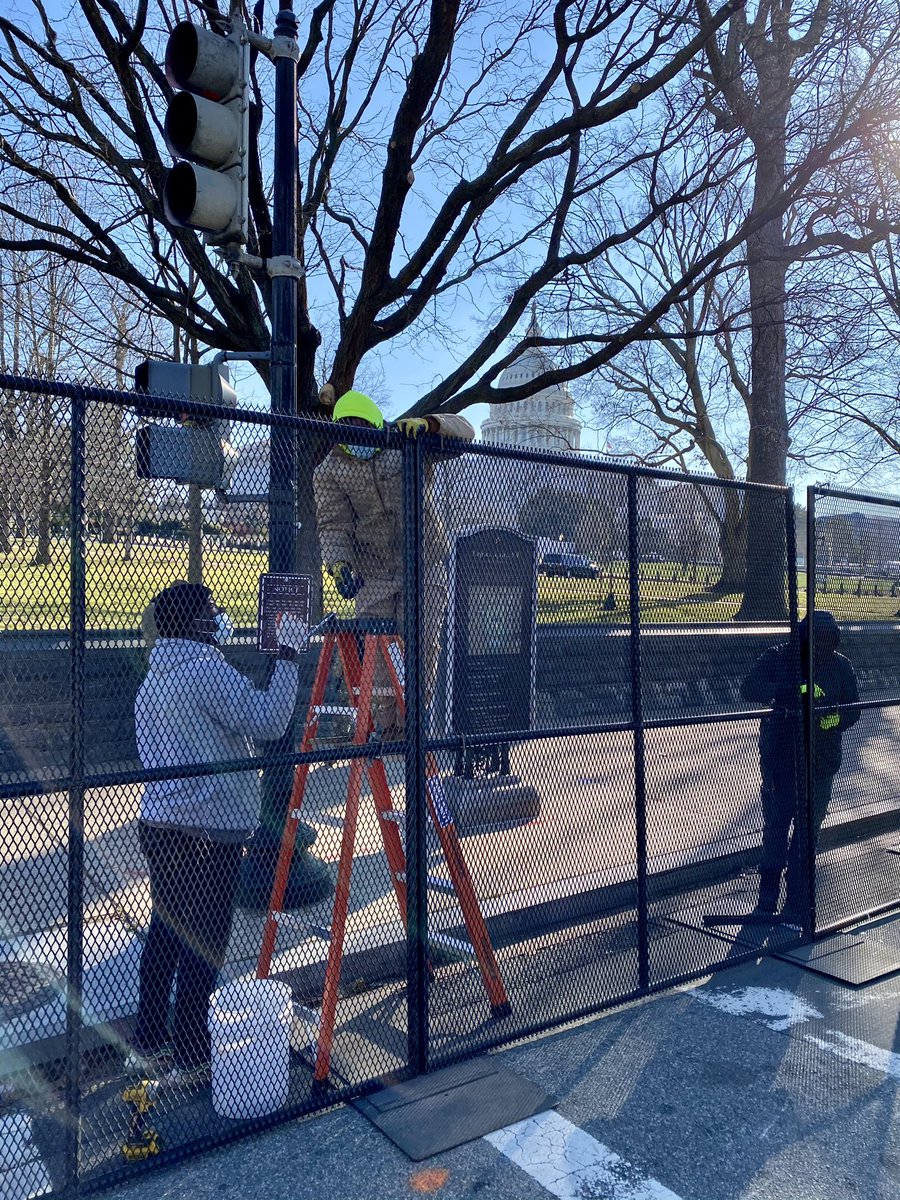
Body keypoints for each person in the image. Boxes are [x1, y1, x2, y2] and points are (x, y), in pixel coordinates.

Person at [128, 582, 307, 1081]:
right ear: (193, 622)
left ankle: (146, 1043)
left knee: (166, 932)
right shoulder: (204, 668)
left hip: (162, 826)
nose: (219, 619)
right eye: (211, 612)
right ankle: (190, 1052)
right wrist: (288, 658)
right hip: (209, 832)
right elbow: (269, 721)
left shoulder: (153, 680)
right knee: (205, 941)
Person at [313, 391, 474, 738]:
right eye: (347, 431)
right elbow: (333, 524)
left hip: (423, 558)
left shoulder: (404, 441)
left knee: (421, 638)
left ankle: (416, 715)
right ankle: (389, 727)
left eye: (362, 428)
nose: (355, 438)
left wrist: (432, 424)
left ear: (377, 426)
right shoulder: (329, 469)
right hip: (373, 567)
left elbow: (466, 432)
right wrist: (339, 564)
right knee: (378, 644)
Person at [741, 610, 860, 920]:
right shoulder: (780, 656)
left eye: (827, 642)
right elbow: (749, 687)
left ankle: (796, 903)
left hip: (820, 764)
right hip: (781, 761)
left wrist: (831, 719)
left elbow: (853, 709)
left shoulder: (841, 666)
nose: (821, 648)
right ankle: (767, 901)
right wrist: (788, 690)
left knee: (807, 834)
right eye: (815, 641)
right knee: (776, 830)